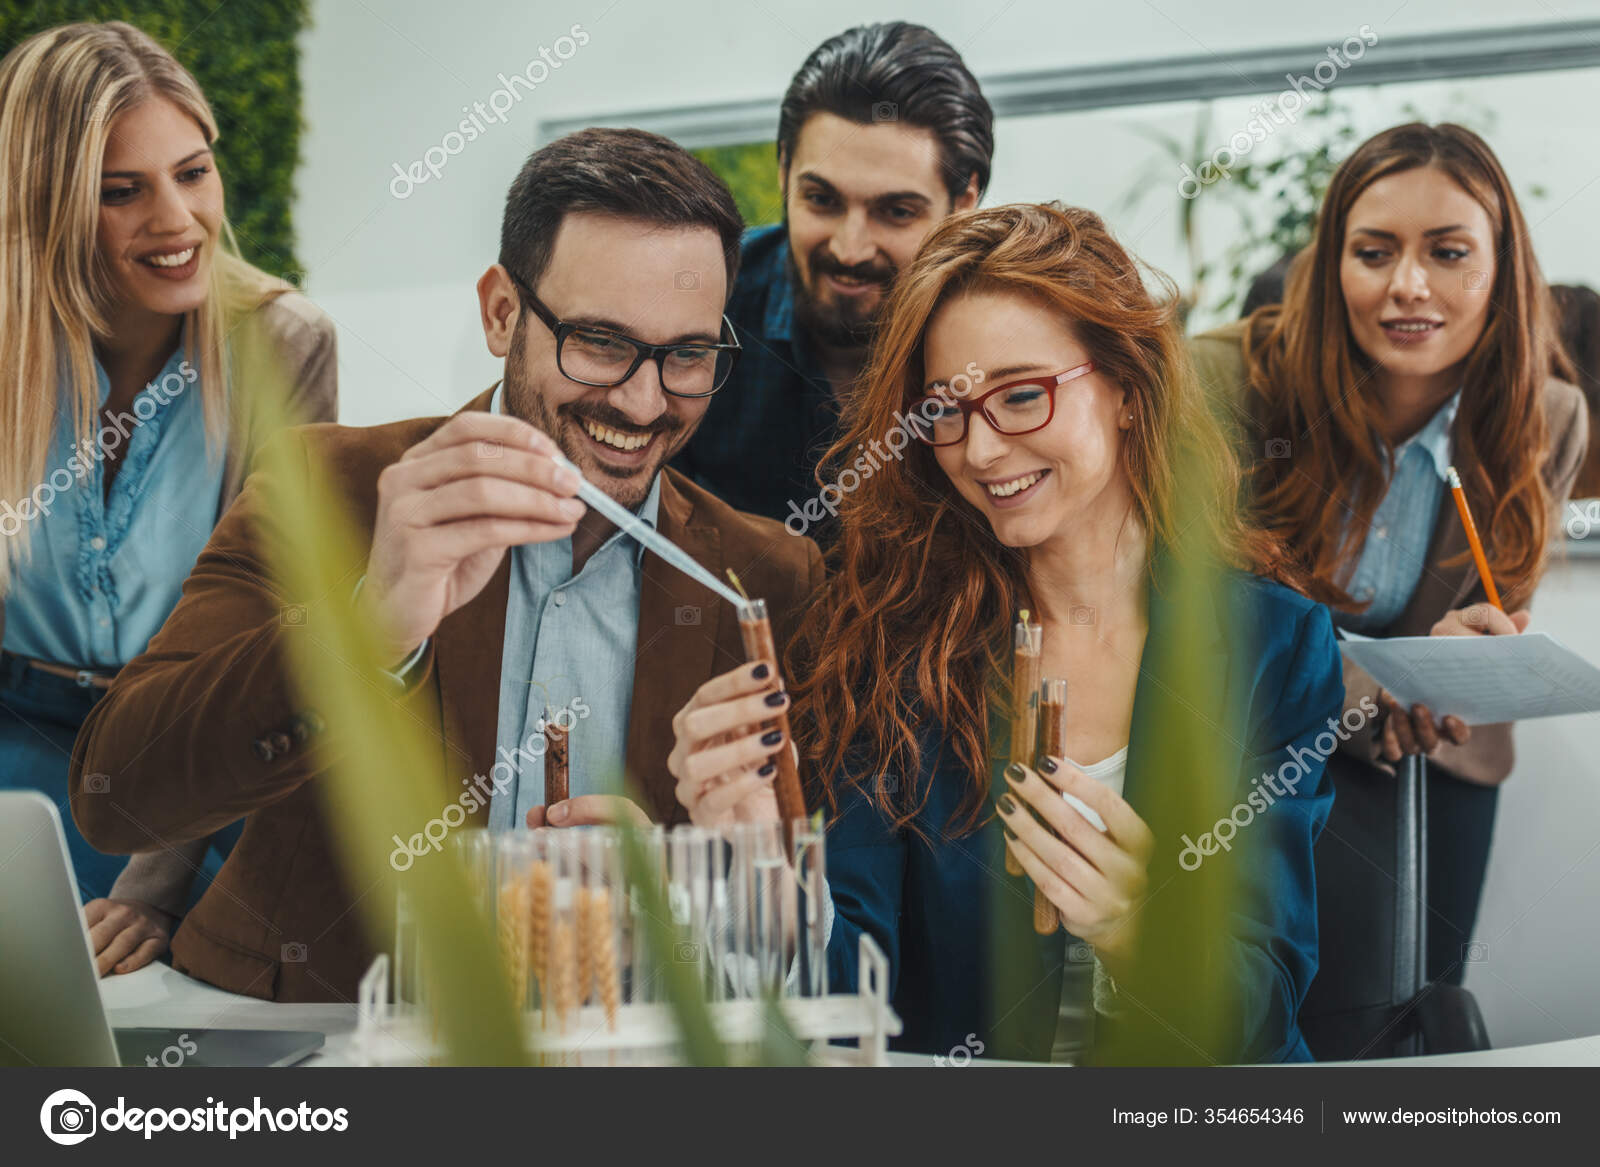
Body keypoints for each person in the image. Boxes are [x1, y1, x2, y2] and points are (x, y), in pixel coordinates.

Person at [70, 127, 823, 1003]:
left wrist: (683, 896)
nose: (644, 400)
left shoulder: (769, 578)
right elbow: (117, 795)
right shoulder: (329, 487)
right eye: (600, 341)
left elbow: (796, 939)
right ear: (502, 313)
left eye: (687, 355)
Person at [666, 203, 1346, 1063]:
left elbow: (1264, 1011)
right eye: (945, 411)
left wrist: (1138, 930)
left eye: (1022, 395)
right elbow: (843, 1010)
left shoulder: (1276, 646)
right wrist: (763, 866)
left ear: (1128, 388)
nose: (980, 451)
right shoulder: (891, 643)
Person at [1191, 123, 1589, 987]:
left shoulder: (1548, 417)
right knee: (1259, 1016)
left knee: (1418, 1019)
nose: (1408, 284)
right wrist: (1371, 691)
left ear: (1502, 266)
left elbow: (1491, 606)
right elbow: (1213, 622)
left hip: (1436, 758)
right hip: (1260, 751)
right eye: (1374, 253)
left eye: (1449, 252)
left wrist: (1471, 655)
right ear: (1332, 265)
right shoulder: (1223, 383)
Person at [0, 22, 336, 976]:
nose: (178, 219)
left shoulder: (282, 346)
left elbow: (268, 633)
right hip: (19, 746)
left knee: (204, 992)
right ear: (44, 203)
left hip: (196, 756)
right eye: (122, 191)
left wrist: (151, 888)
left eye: (193, 173)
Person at [672, 22, 992, 539]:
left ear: (963, 205)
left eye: (896, 211)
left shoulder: (1005, 339)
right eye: (822, 200)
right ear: (783, 171)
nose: (849, 249)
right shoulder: (700, 306)